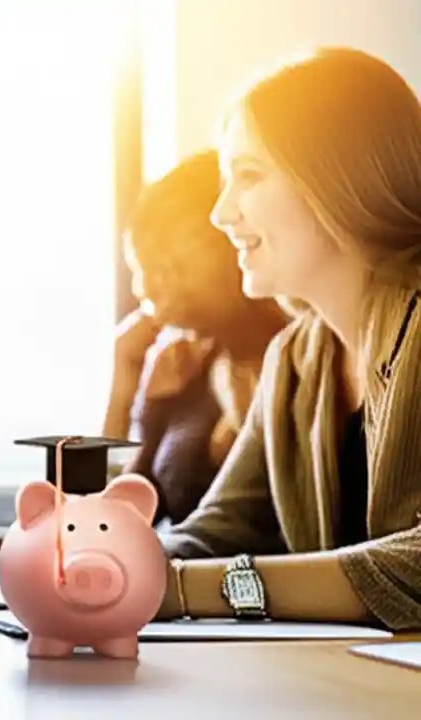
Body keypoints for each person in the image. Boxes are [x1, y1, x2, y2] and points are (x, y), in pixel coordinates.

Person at [0, 151, 289, 553]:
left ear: (230, 246)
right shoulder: (184, 370)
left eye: (167, 265)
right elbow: (102, 525)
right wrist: (124, 385)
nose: (146, 289)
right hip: (171, 583)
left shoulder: (295, 369)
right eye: (141, 269)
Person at [156, 47, 421, 630]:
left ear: (339, 179)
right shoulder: (296, 359)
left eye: (249, 176)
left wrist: (182, 587)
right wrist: (105, 558)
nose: (220, 213)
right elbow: (220, 530)